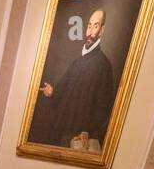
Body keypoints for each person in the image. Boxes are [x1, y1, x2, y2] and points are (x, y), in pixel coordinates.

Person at [36, 8, 115, 151]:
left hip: (80, 140)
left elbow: (104, 107)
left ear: (102, 30)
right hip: (63, 133)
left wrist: (88, 130)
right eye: (89, 26)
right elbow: (63, 91)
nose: (90, 32)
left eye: (95, 26)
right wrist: (53, 92)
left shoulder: (103, 65)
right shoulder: (77, 62)